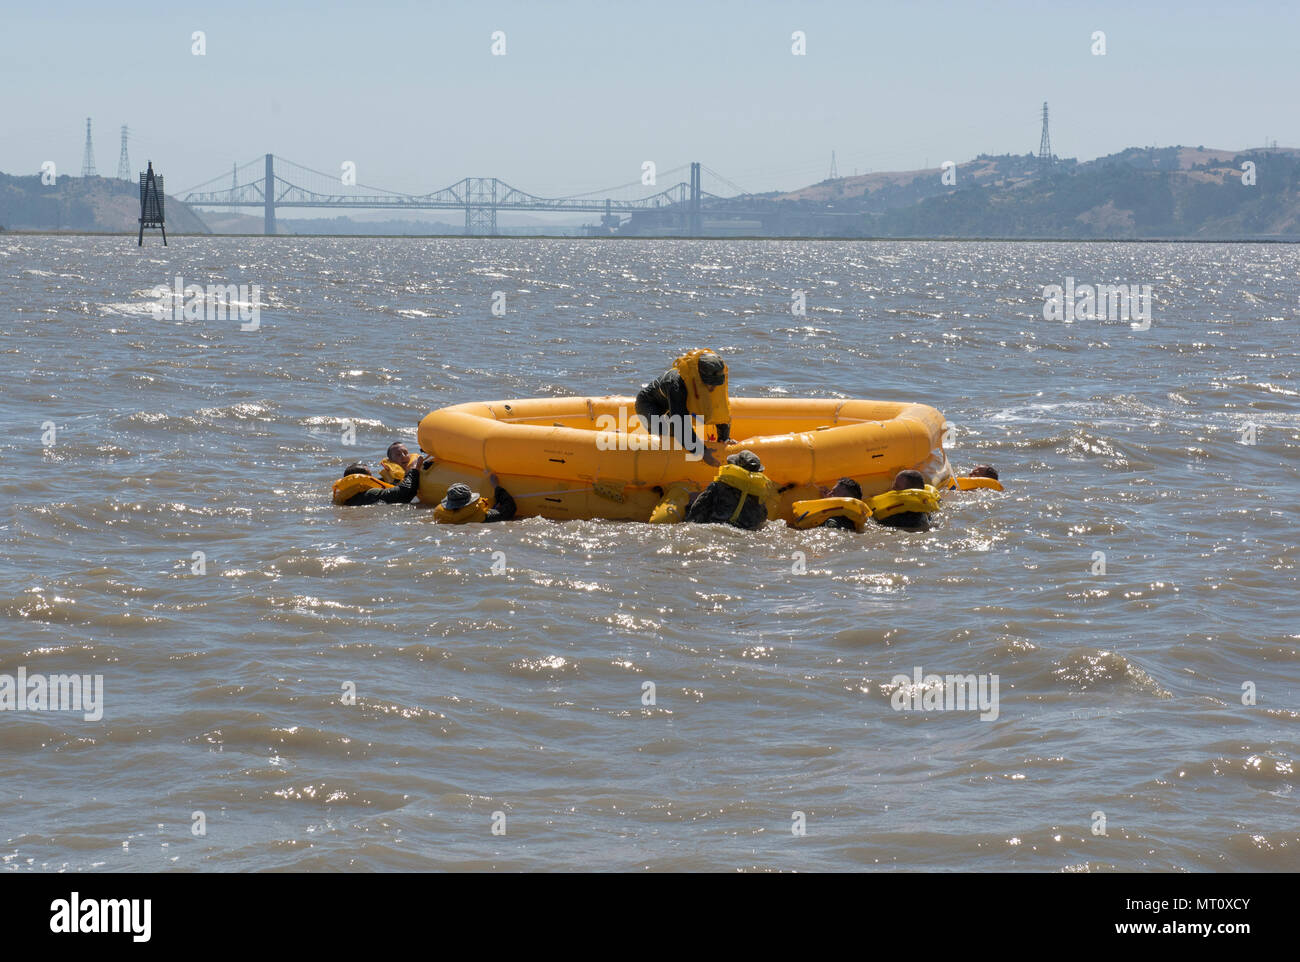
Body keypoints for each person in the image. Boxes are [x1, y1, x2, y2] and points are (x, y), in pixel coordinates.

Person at [635, 349, 734, 465]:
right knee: (669, 436)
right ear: (698, 375)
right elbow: (679, 424)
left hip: (671, 406)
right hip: (650, 404)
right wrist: (702, 451)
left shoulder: (713, 386)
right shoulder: (677, 385)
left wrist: (724, 439)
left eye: (715, 383)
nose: (712, 388)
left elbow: (720, 410)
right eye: (709, 383)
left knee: (679, 434)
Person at [684, 450, 777, 531]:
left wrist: (690, 506)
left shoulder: (718, 486)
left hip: (716, 530)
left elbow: (695, 514)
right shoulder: (759, 496)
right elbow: (760, 522)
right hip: (743, 535)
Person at [332, 457, 428, 506]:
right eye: (371, 477)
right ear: (365, 479)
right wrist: (414, 469)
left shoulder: (345, 499)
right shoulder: (370, 493)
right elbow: (405, 492)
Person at [788, 478, 872, 531]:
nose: (829, 494)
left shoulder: (834, 522)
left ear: (845, 499)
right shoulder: (858, 520)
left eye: (834, 492)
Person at [871, 469, 941, 531]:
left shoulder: (894, 519)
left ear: (909, 494)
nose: (892, 490)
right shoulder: (926, 511)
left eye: (897, 487)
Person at [433, 477, 518, 524]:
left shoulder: (440, 516)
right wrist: (496, 486)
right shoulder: (484, 517)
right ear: (470, 500)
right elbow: (510, 508)